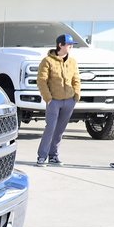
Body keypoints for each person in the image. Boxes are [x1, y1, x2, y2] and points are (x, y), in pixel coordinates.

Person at [35, 33, 82, 166]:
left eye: (72, 44)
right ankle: (42, 156)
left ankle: (53, 155)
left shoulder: (72, 61)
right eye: (69, 44)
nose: (71, 46)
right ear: (60, 45)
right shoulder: (47, 61)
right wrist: (48, 98)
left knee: (60, 129)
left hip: (69, 101)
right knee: (50, 127)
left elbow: (76, 79)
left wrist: (76, 95)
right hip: (54, 101)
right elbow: (41, 81)